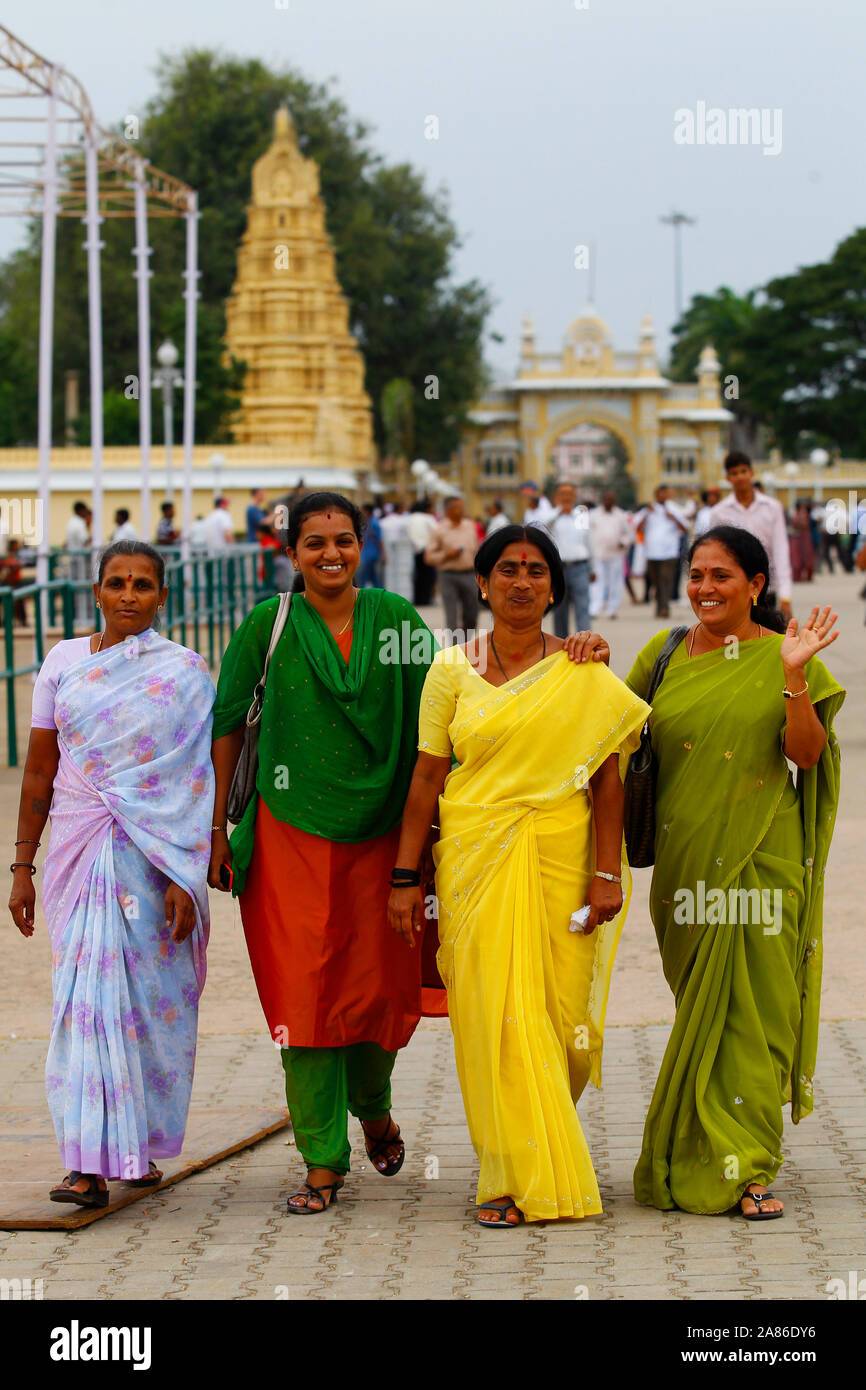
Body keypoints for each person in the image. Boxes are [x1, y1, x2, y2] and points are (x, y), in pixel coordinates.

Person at [388, 524, 647, 1226]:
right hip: (475, 859)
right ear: (481, 582)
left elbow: (609, 782)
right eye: (507, 569)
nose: (522, 581)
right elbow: (426, 776)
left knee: (566, 1025)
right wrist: (405, 876)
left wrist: (606, 874)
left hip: (563, 859)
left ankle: (539, 1140)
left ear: (556, 588)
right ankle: (510, 1173)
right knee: (495, 1019)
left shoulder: (583, 669)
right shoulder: (449, 671)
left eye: (536, 570)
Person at [209, 492, 435, 1215]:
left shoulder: (397, 621)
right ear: (291, 551)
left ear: (363, 545)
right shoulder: (265, 626)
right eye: (314, 543)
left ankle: (374, 1108)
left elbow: (446, 715)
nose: (330, 553)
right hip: (286, 840)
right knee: (303, 997)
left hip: (388, 839)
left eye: (343, 540)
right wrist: (215, 828)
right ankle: (322, 1160)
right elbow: (225, 727)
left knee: (377, 988)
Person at [626, 525, 843, 1220]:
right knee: (703, 1009)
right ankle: (688, 1150)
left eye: (722, 576)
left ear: (755, 584)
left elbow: (806, 757)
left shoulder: (784, 654)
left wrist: (794, 676)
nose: (705, 589)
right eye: (696, 575)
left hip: (762, 859)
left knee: (753, 1015)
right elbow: (610, 731)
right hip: (685, 865)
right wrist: (577, 655)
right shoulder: (659, 654)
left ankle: (746, 1167)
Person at [8, 540, 215, 1208]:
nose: (130, 595)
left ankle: (137, 1147)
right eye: (117, 583)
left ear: (162, 596)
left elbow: (195, 779)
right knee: (83, 1002)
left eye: (144, 585)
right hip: (76, 849)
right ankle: (86, 1163)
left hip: (153, 860)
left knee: (149, 1010)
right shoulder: (64, 661)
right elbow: (39, 769)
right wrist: (21, 865)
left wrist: (186, 875)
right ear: (96, 590)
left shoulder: (184, 671)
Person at [709, 452, 792, 620]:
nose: (740, 477)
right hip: (734, 587)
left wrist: (786, 596)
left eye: (743, 471)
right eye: (734, 473)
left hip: (766, 585)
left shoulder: (772, 508)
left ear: (751, 473)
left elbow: (781, 550)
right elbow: (715, 554)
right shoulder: (719, 513)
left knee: (767, 635)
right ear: (728, 478)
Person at [542, 481, 595, 635]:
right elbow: (541, 530)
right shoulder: (550, 516)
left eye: (569, 493)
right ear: (557, 497)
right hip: (559, 569)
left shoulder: (580, 515)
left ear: (574, 496)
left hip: (580, 567)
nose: (566, 497)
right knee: (559, 610)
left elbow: (589, 541)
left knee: (583, 608)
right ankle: (561, 647)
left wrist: (593, 568)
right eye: (562, 494)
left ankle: (585, 644)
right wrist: (559, 512)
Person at [424, 495, 480, 637]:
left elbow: (476, 549)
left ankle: (467, 642)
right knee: (452, 615)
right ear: (447, 511)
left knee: (472, 611)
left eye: (461, 507)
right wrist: (446, 554)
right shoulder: (439, 530)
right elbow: (429, 557)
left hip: (468, 573)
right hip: (448, 575)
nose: (460, 511)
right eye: (456, 508)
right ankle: (456, 649)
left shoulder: (469, 526)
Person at [633, 486, 689, 618]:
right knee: (656, 582)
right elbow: (637, 528)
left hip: (669, 553)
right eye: (661, 493)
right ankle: (660, 607)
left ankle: (664, 608)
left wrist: (673, 518)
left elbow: (685, 527)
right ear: (656, 495)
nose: (663, 496)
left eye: (666, 493)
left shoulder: (674, 509)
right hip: (651, 553)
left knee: (666, 579)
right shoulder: (648, 510)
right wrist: (646, 515)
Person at [591, 491, 633, 619]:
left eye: (611, 499)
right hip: (598, 554)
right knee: (597, 582)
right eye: (606, 499)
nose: (608, 501)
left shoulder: (621, 515)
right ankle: (594, 609)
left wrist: (623, 542)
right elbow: (587, 533)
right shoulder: (594, 515)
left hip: (615, 555)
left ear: (614, 501)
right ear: (603, 500)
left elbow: (630, 534)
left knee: (615, 583)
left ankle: (612, 610)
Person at [380, 499, 415, 601]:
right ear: (400, 509)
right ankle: (404, 598)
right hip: (404, 553)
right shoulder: (405, 522)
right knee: (404, 576)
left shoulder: (384, 522)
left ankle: (390, 597)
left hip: (389, 552)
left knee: (389, 575)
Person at [65, 501, 92, 627]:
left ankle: (78, 618)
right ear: (81, 510)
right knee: (83, 590)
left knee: (76, 591)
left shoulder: (70, 522)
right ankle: (84, 618)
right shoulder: (80, 523)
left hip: (73, 560)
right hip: (80, 561)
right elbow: (85, 540)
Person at [407, 499, 438, 607]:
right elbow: (436, 531)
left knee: (418, 576)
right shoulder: (428, 518)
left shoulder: (410, 518)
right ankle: (427, 599)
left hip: (416, 551)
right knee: (429, 576)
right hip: (428, 550)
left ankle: (418, 599)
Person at [356, 503, 386, 588]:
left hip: (373, 554)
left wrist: (383, 555)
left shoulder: (374, 524)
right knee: (363, 577)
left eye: (363, 511)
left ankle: (379, 596)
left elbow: (379, 540)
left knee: (375, 577)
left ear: (367, 511)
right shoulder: (363, 523)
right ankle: (362, 595)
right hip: (365, 554)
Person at [790, 500, 817, 582]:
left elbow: (805, 524)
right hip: (798, 539)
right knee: (797, 558)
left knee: (808, 557)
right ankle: (797, 577)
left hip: (805, 539)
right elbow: (798, 524)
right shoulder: (796, 515)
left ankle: (808, 576)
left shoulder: (805, 515)